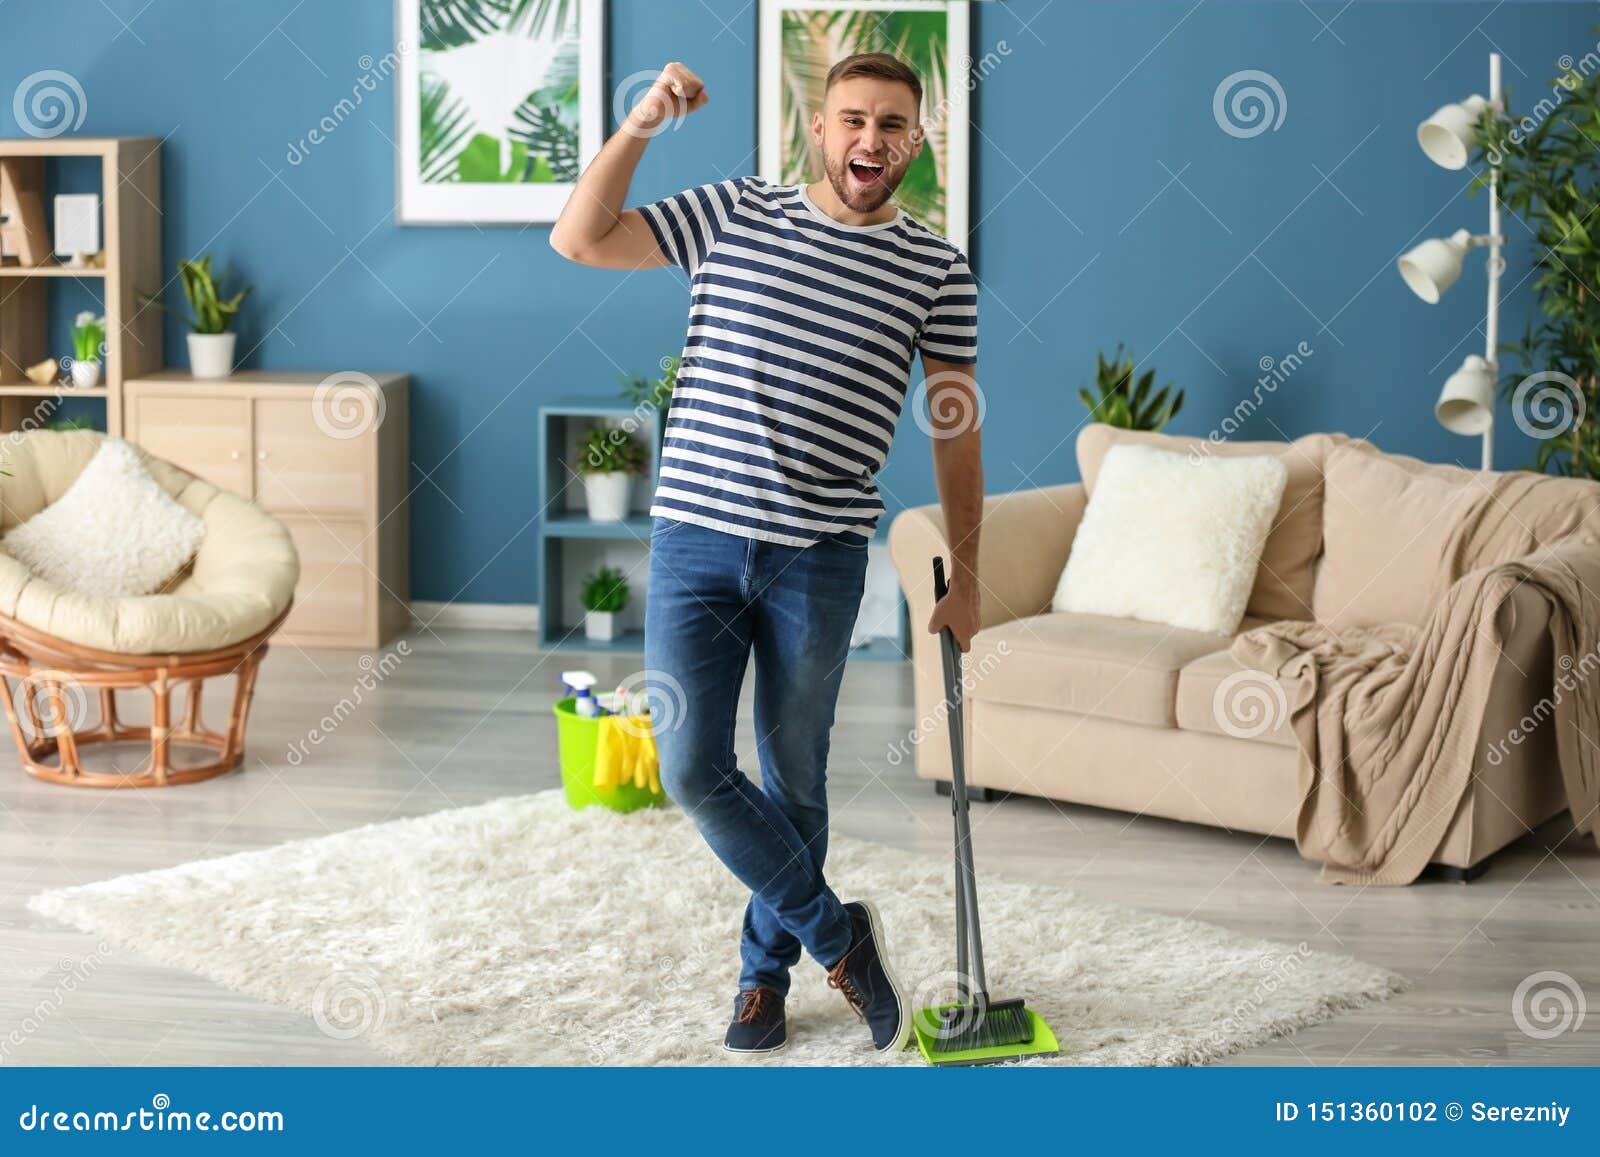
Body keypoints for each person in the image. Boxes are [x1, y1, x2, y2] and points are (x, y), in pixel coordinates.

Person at [551, 52, 983, 1057]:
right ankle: (841, 936)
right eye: (852, 120)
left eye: (890, 123)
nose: (869, 139)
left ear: (915, 142)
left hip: (821, 556)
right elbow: (578, 236)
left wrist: (971, 570)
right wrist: (644, 122)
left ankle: (762, 980)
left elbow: (953, 423)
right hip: (696, 540)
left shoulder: (936, 267)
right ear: (818, 132)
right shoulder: (734, 210)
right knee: (691, 766)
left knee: (796, 776)